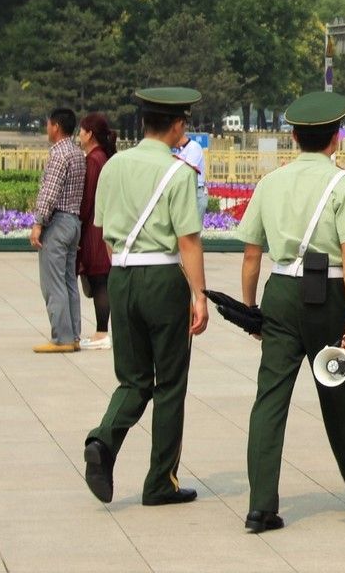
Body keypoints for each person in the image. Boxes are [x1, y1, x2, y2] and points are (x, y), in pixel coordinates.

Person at [237, 91, 345, 534]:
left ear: (294, 136)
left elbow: (251, 254)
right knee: (340, 392)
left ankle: (261, 504)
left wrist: (250, 309)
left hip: (281, 292)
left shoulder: (271, 182)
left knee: (270, 399)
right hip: (330, 295)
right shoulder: (343, 184)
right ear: (335, 138)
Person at [83, 87, 208, 507]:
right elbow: (188, 241)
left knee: (134, 379)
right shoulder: (179, 172)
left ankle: (103, 440)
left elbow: (101, 225)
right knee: (170, 382)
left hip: (122, 275)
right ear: (176, 125)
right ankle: (159, 482)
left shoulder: (114, 166)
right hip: (162, 278)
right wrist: (199, 296)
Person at [30, 107, 86, 353]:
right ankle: (73, 335)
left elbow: (49, 193)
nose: (47, 128)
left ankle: (61, 337)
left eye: (48, 124)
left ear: (55, 126)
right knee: (68, 281)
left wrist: (38, 222)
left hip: (57, 223)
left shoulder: (58, 154)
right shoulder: (77, 153)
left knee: (53, 283)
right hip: (73, 222)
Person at [77, 113, 117, 350]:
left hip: (94, 227)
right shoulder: (104, 157)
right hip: (103, 224)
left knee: (99, 279)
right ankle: (102, 331)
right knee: (101, 279)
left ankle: (102, 332)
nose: (79, 135)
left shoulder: (94, 160)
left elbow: (88, 198)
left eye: (81, 131)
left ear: (90, 133)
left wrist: (78, 221)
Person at [175, 132, 208, 219]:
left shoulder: (193, 147)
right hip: (187, 191)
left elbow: (188, 170)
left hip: (195, 192)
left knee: (194, 229)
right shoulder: (180, 150)